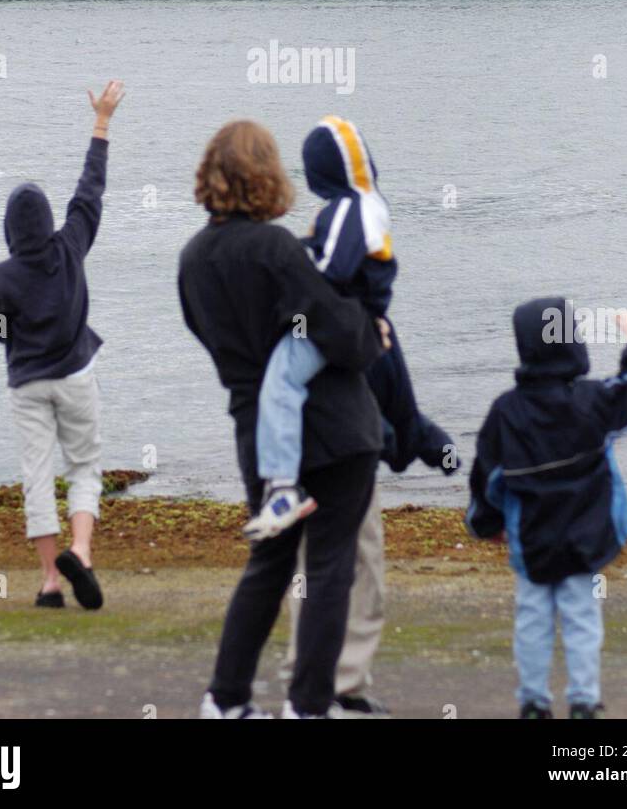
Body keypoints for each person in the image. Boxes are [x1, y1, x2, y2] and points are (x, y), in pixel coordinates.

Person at [178, 121, 386, 720]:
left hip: (256, 430)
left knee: (268, 567)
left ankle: (226, 699)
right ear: (267, 176)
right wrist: (371, 334)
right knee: (328, 569)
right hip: (336, 428)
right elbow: (331, 326)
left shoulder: (192, 259)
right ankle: (308, 707)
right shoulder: (278, 249)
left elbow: (207, 335)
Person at [246, 115, 459, 541]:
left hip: (343, 320)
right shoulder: (366, 203)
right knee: (393, 398)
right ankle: (435, 447)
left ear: (319, 172)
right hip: (369, 321)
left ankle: (282, 485)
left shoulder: (350, 208)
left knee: (282, 382)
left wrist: (285, 264)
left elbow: (332, 268)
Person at [466, 299, 627, 720]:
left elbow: (485, 478)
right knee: (582, 618)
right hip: (584, 537)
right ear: (572, 342)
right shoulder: (592, 401)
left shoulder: (506, 411)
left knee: (532, 619)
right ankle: (583, 702)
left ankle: (534, 702)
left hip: (531, 539)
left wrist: (486, 524)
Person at [0, 80, 125, 611]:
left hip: (27, 382)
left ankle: (48, 583)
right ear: (46, 224)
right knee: (85, 465)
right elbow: (90, 189)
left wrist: (15, 341)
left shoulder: (0, 277)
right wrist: (102, 121)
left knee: (36, 477)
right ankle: (81, 552)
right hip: (75, 375)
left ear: (9, 231)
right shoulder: (70, 249)